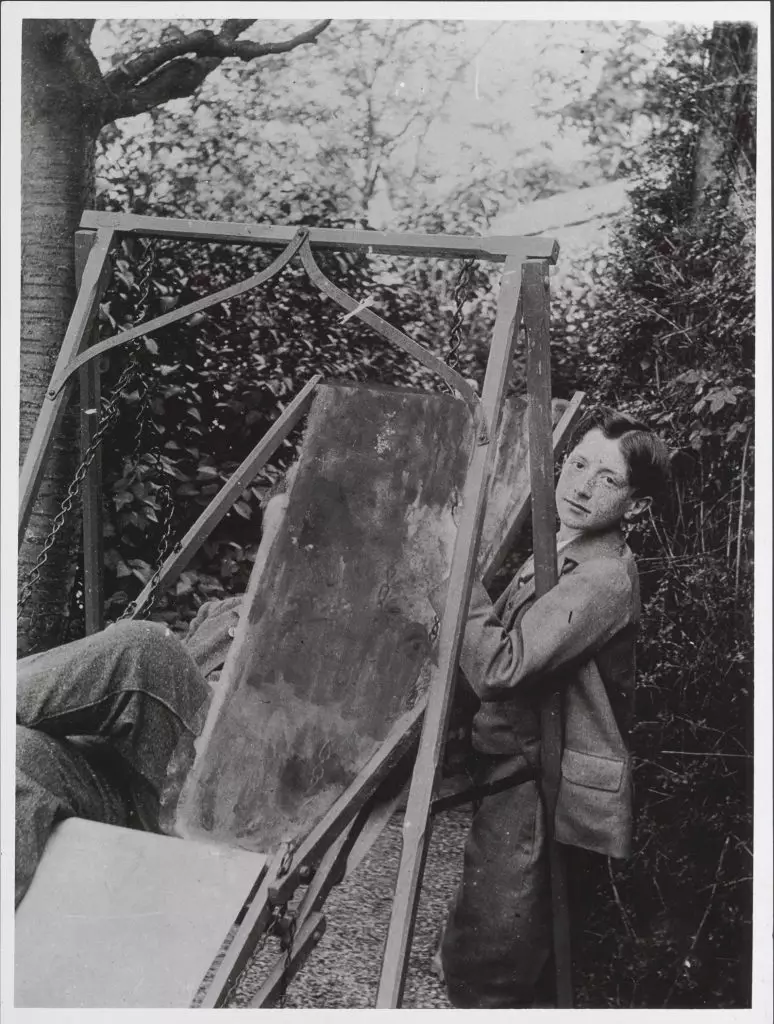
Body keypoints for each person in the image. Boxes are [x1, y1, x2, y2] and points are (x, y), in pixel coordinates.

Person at [428, 409, 671, 1009]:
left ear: (636, 505)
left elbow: (500, 666)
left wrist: (451, 568)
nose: (582, 485)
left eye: (607, 479)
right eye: (578, 463)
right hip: (509, 765)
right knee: (483, 937)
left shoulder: (605, 576)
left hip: (541, 782)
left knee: (493, 961)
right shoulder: (560, 543)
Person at [14, 491, 290, 909]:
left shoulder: (339, 649)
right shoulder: (225, 613)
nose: (278, 558)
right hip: (144, 796)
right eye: (274, 538)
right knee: (19, 755)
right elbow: (158, 716)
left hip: (229, 812)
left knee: (147, 649)